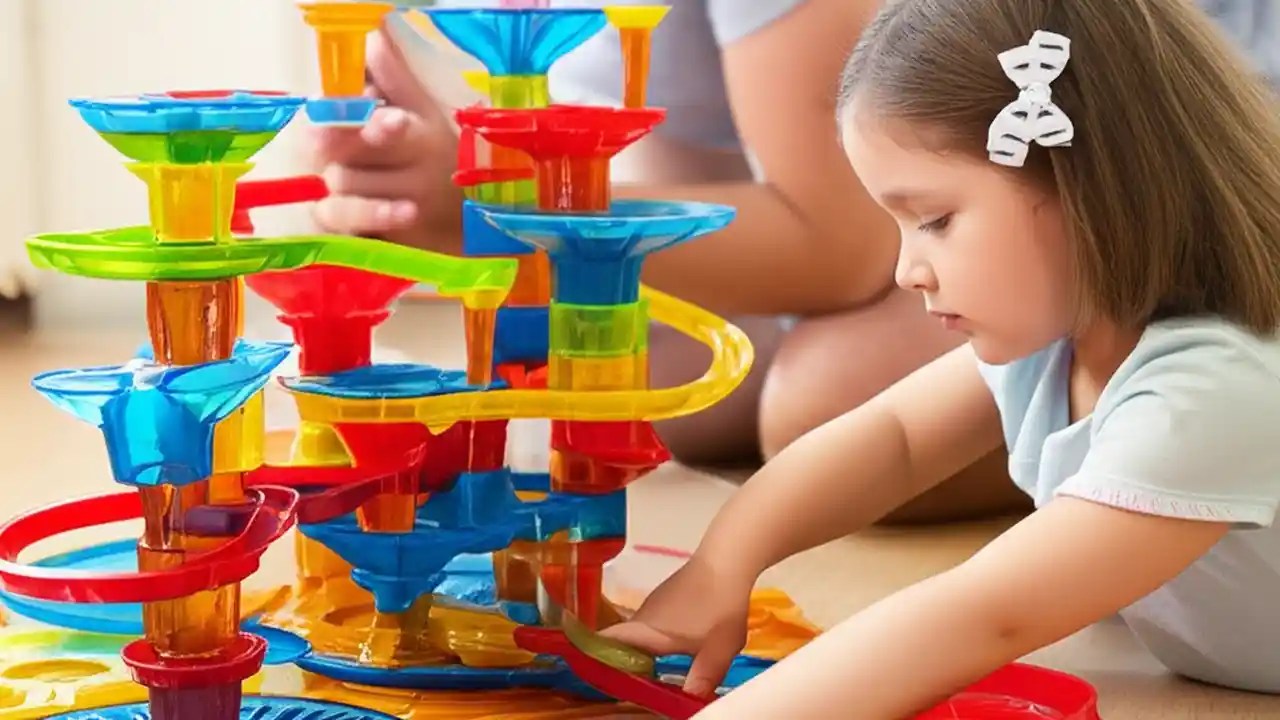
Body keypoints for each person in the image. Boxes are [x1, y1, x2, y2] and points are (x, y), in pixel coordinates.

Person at [597, 0, 1280, 715]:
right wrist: (724, 561)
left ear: (1085, 187)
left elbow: (985, 615)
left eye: (934, 221)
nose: (905, 271)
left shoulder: (1208, 393)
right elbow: (892, 439)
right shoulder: (1058, 340)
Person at [308, 0, 1024, 524]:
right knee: (611, 384)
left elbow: (847, 246)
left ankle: (1115, 412)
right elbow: (671, 165)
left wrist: (490, 207)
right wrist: (396, 172)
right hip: (838, 223)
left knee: (826, 415)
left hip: (1010, 197)